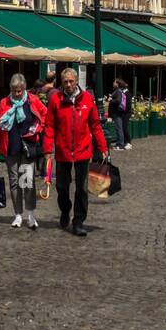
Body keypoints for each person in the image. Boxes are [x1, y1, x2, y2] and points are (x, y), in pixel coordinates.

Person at [44, 67, 108, 237]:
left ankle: (78, 221)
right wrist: (47, 149)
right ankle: (65, 209)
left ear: (77, 81)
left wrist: (102, 147)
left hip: (83, 150)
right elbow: (49, 125)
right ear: (61, 82)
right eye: (65, 81)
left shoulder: (87, 99)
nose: (69, 84)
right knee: (62, 187)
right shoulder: (56, 100)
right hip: (63, 150)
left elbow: (95, 125)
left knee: (82, 188)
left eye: (71, 81)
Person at [0, 73, 51, 229]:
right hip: (11, 147)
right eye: (14, 90)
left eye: (19, 90)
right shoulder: (4, 103)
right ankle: (18, 215)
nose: (17, 94)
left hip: (28, 147)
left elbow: (45, 114)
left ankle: (31, 214)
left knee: (27, 182)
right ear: (11, 89)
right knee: (14, 183)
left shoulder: (32, 100)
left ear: (24, 88)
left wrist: (38, 128)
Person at [108, 77, 132, 150]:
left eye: (114, 82)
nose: (113, 83)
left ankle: (126, 143)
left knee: (122, 128)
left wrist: (111, 100)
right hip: (121, 113)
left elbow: (119, 101)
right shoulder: (119, 91)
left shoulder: (120, 92)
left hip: (124, 113)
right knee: (121, 128)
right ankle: (123, 142)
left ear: (118, 84)